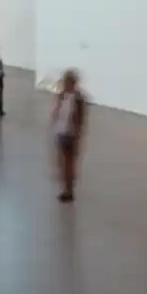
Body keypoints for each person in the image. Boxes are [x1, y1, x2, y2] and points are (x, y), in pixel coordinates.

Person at [51, 69, 87, 202]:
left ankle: (69, 190)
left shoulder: (78, 98)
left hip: (70, 134)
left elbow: (80, 119)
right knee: (62, 163)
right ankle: (66, 188)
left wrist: (77, 135)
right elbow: (59, 112)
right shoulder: (63, 95)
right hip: (61, 131)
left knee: (69, 164)